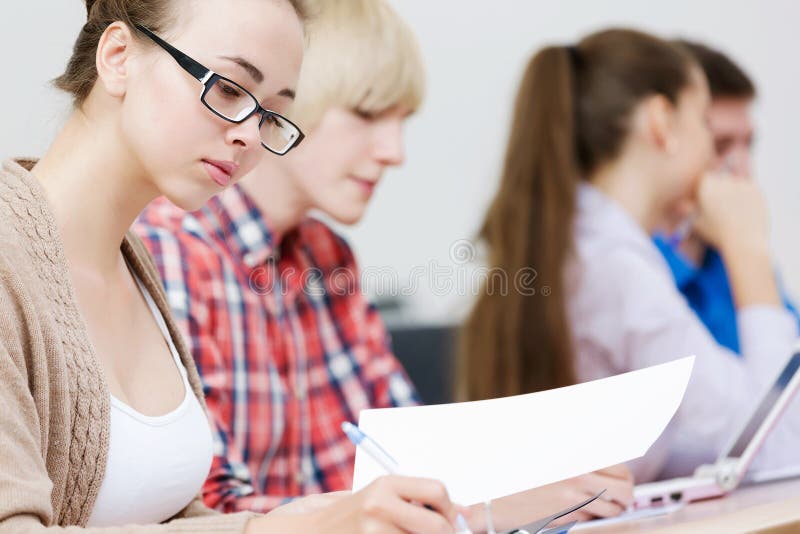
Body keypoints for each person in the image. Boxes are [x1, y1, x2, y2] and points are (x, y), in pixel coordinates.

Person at [135, 0, 633, 529]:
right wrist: (488, 504)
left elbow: (412, 462)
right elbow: (209, 516)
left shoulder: (327, 257)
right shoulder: (172, 252)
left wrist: (526, 481)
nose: (395, 152)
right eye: (367, 114)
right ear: (285, 104)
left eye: (402, 121)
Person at [0, 0, 469, 531]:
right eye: (227, 89)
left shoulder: (133, 266)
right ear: (117, 56)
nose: (250, 135)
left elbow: (171, 515)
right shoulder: (37, 259)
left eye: (270, 114)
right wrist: (280, 528)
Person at [459, 28, 799, 483]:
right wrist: (748, 248)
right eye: (704, 124)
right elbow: (777, 448)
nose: (725, 164)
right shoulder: (615, 267)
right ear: (661, 123)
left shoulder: (588, 247)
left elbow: (685, 444)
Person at [653, 40, 800, 354]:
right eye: (721, 147)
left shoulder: (733, 257)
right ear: (662, 139)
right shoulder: (637, 271)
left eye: (748, 145)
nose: (743, 171)